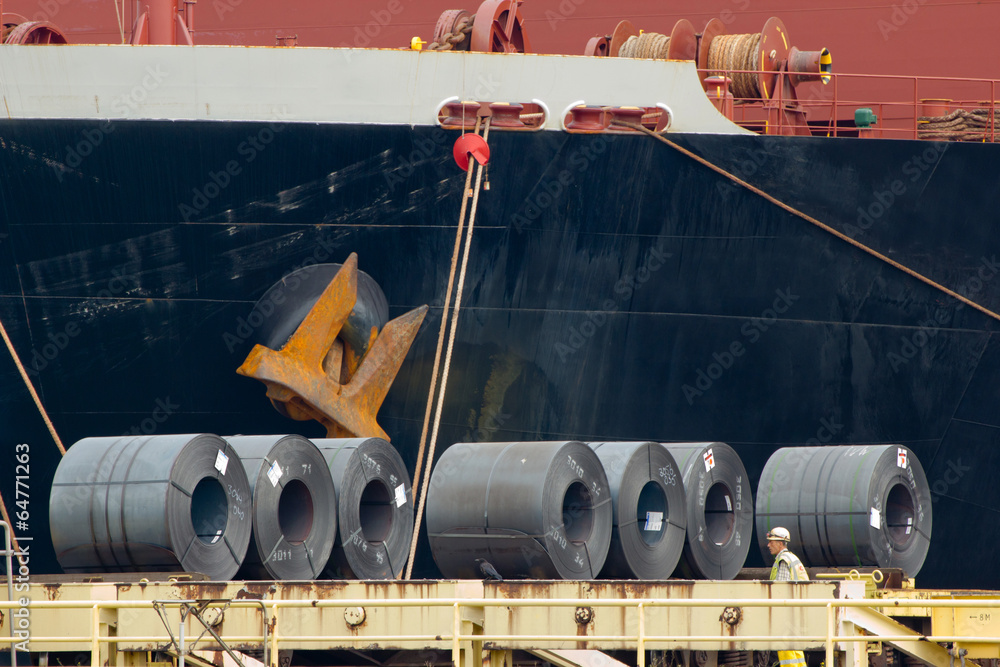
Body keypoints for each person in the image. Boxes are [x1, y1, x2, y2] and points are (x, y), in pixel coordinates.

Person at [766, 527, 808, 667]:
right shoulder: (792, 558)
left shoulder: (783, 560)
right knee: (795, 649)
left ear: (780, 543)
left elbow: (781, 591)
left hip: (786, 613)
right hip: (796, 610)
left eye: (771, 542)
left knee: (786, 649)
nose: (768, 545)